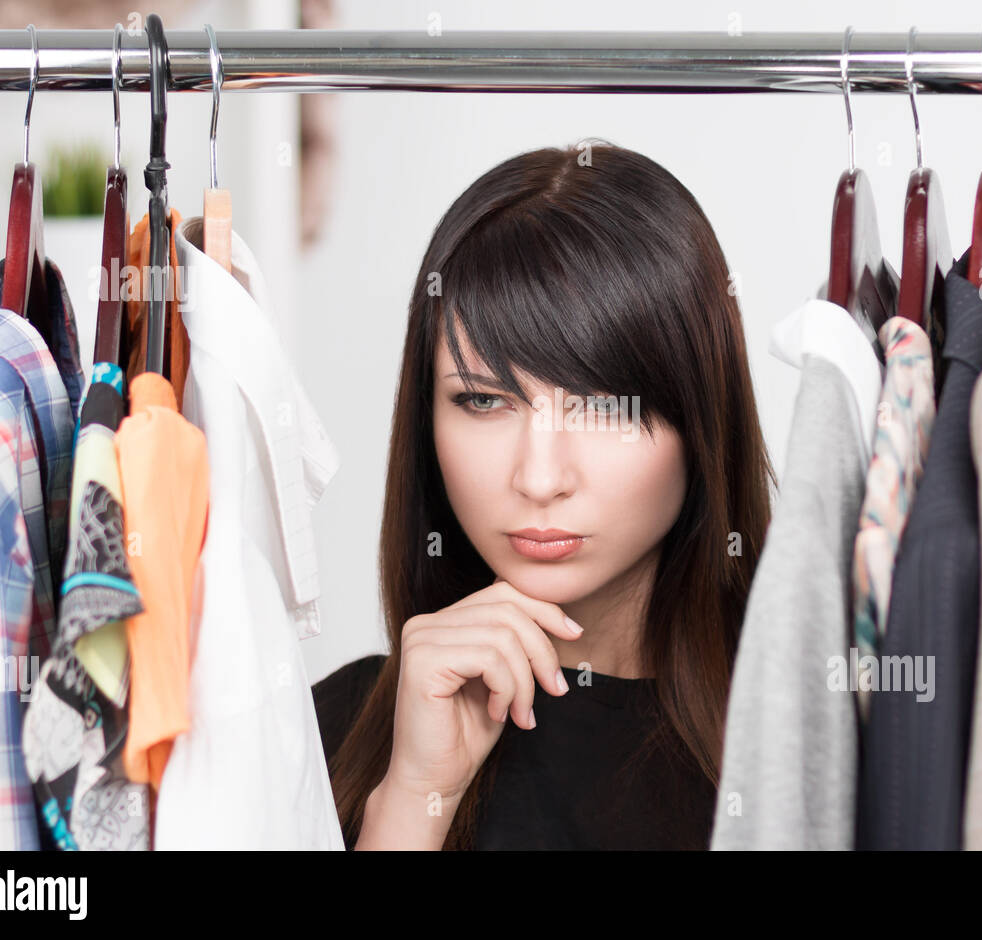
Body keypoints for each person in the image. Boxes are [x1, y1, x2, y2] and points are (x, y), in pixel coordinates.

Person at [314, 142, 773, 850]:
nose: (538, 477)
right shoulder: (336, 734)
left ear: (701, 415)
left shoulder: (805, 742)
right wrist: (412, 801)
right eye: (483, 401)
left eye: (603, 407)